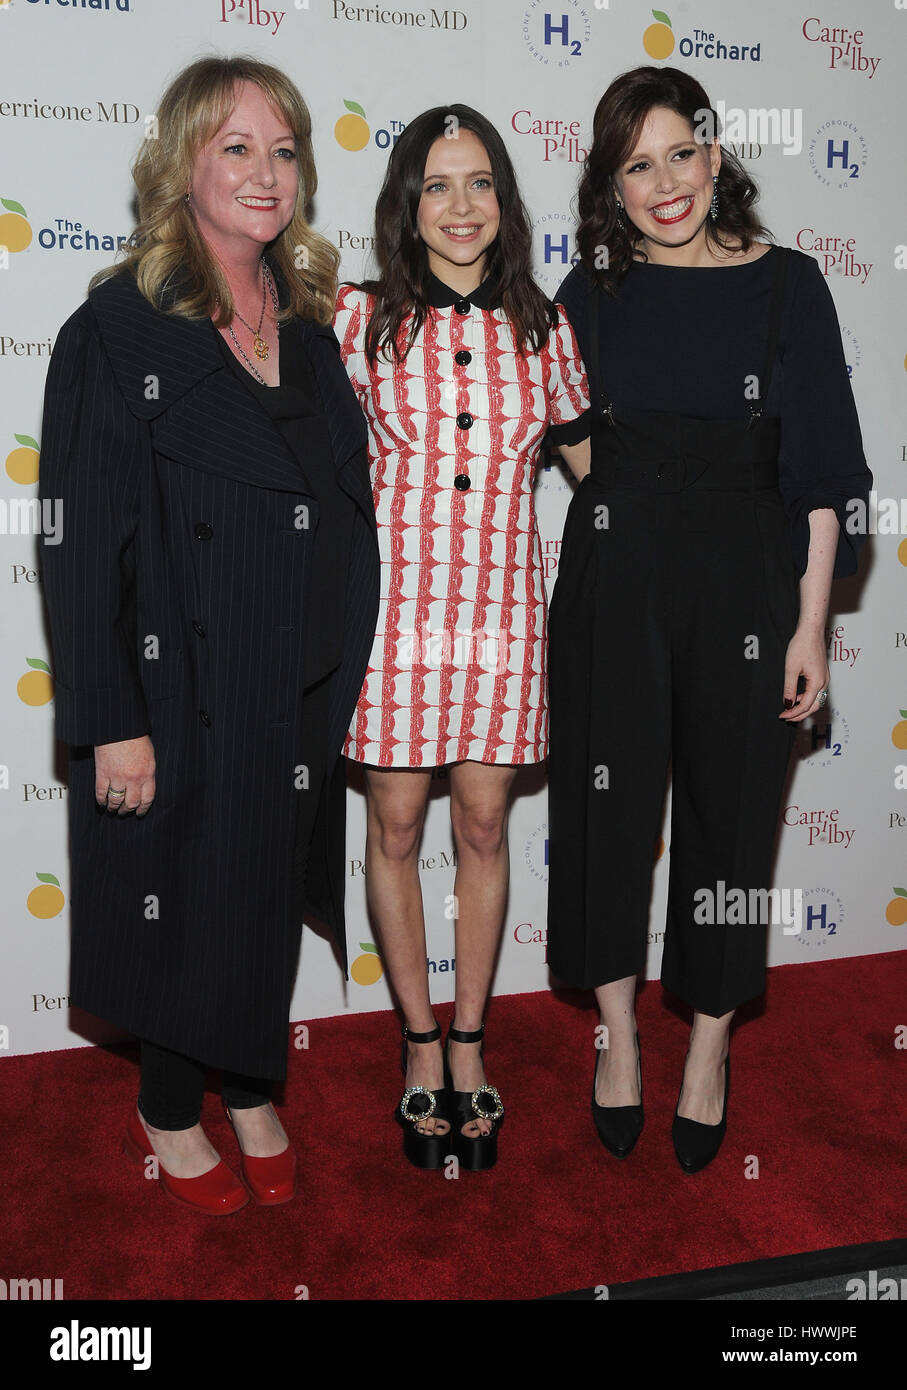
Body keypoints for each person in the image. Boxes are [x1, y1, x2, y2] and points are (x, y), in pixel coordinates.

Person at [38, 56, 379, 1214]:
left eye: (284, 150)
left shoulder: (310, 324)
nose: (266, 172)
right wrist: (109, 723)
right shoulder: (117, 328)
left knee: (262, 886)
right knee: (186, 892)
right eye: (236, 146)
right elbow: (79, 542)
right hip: (178, 675)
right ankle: (170, 1103)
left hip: (298, 676)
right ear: (182, 161)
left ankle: (248, 1079)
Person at [546, 66, 871, 1172]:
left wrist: (809, 625)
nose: (664, 183)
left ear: (714, 154)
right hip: (617, 575)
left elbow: (822, 473)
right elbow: (563, 423)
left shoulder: (788, 284)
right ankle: (618, 1033)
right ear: (612, 186)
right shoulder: (593, 289)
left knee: (731, 821)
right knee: (605, 811)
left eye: (679, 153)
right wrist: (624, 500)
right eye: (636, 166)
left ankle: (708, 1046)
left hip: (748, 579)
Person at [333, 105, 589, 1170]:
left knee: (483, 824)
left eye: (479, 182)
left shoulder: (545, 327)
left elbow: (597, 481)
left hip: (502, 612)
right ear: (407, 203)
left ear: (504, 199)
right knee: (395, 825)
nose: (460, 205)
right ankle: (417, 1039)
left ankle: (470, 1039)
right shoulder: (357, 320)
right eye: (436, 185)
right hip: (394, 614)